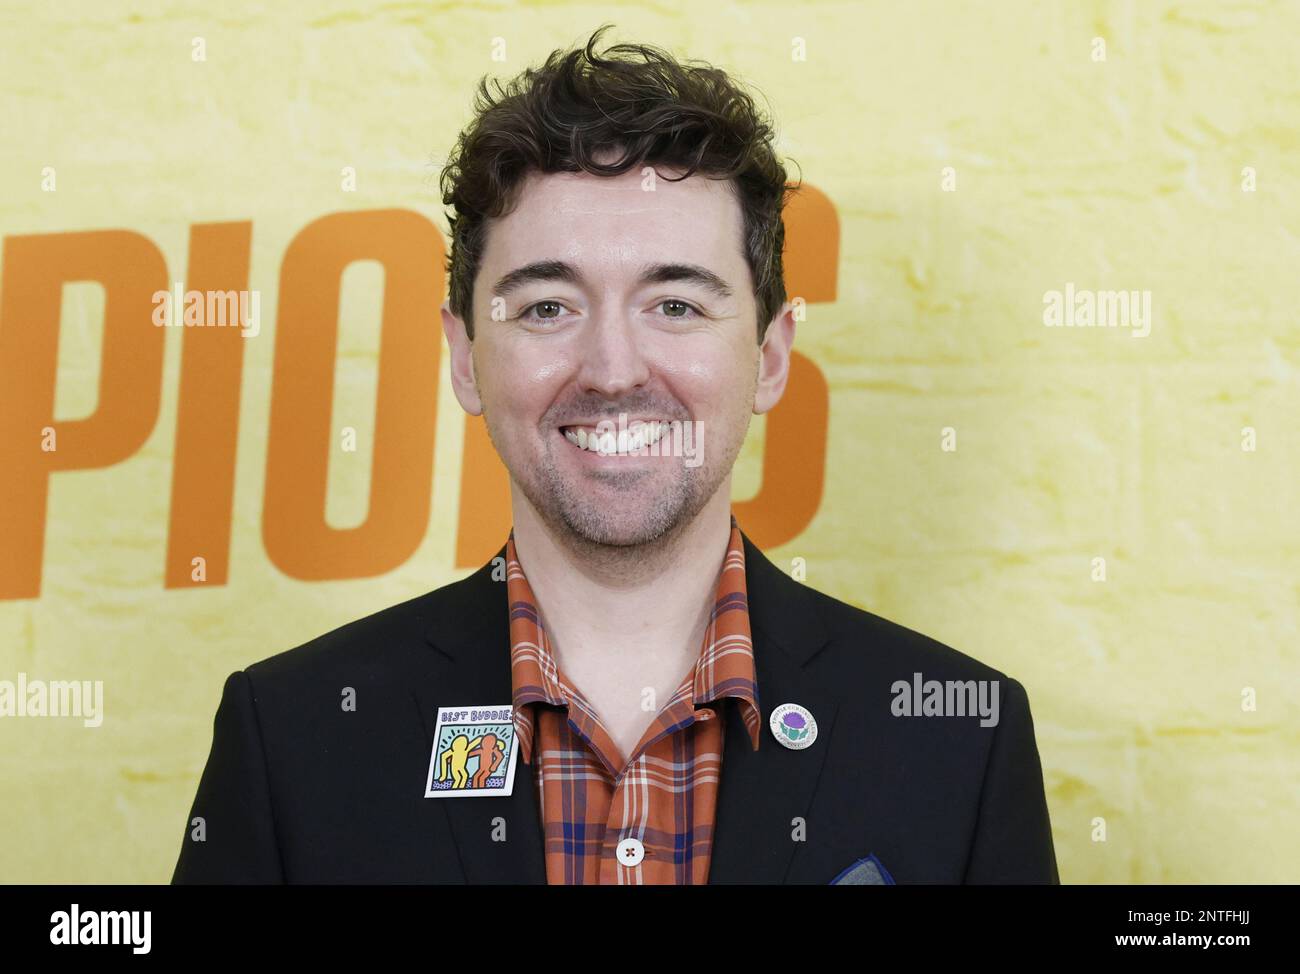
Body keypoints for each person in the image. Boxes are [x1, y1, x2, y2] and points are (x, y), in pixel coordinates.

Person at [172, 24, 1058, 885]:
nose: (612, 370)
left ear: (770, 355)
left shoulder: (960, 743)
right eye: (547, 308)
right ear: (464, 358)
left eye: (675, 305)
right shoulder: (291, 739)